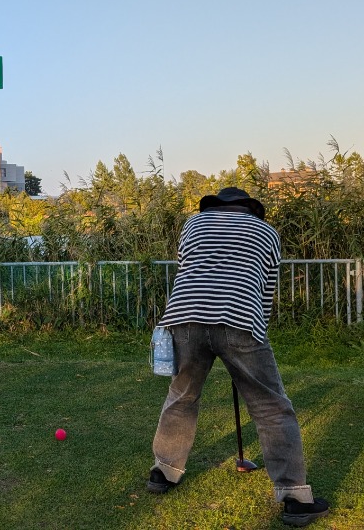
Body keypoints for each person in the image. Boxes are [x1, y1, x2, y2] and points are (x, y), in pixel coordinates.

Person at [146, 187, 329, 527]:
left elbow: (188, 268)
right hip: (240, 318)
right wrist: (257, 330)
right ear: (249, 209)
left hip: (184, 318)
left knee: (182, 396)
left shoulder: (193, 224)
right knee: (271, 406)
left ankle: (164, 472)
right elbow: (265, 289)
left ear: (216, 206)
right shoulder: (267, 232)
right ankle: (295, 497)